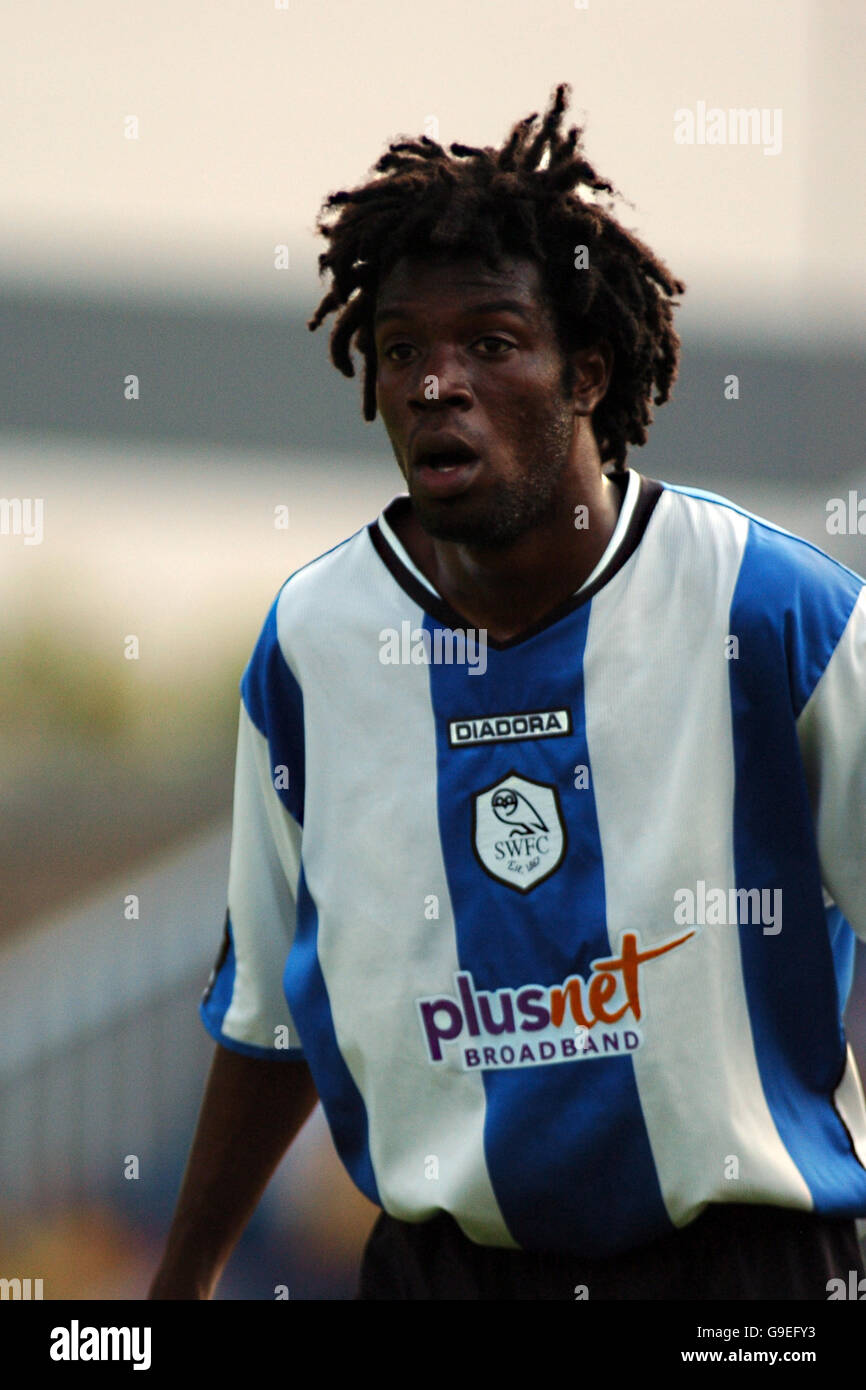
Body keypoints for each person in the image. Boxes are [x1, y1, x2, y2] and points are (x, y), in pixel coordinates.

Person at [149, 83, 866, 1301]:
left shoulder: (771, 609)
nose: (436, 383)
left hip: (748, 1281)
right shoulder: (313, 645)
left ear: (586, 373)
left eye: (489, 343)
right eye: (400, 352)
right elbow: (274, 1011)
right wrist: (179, 1291)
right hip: (444, 1275)